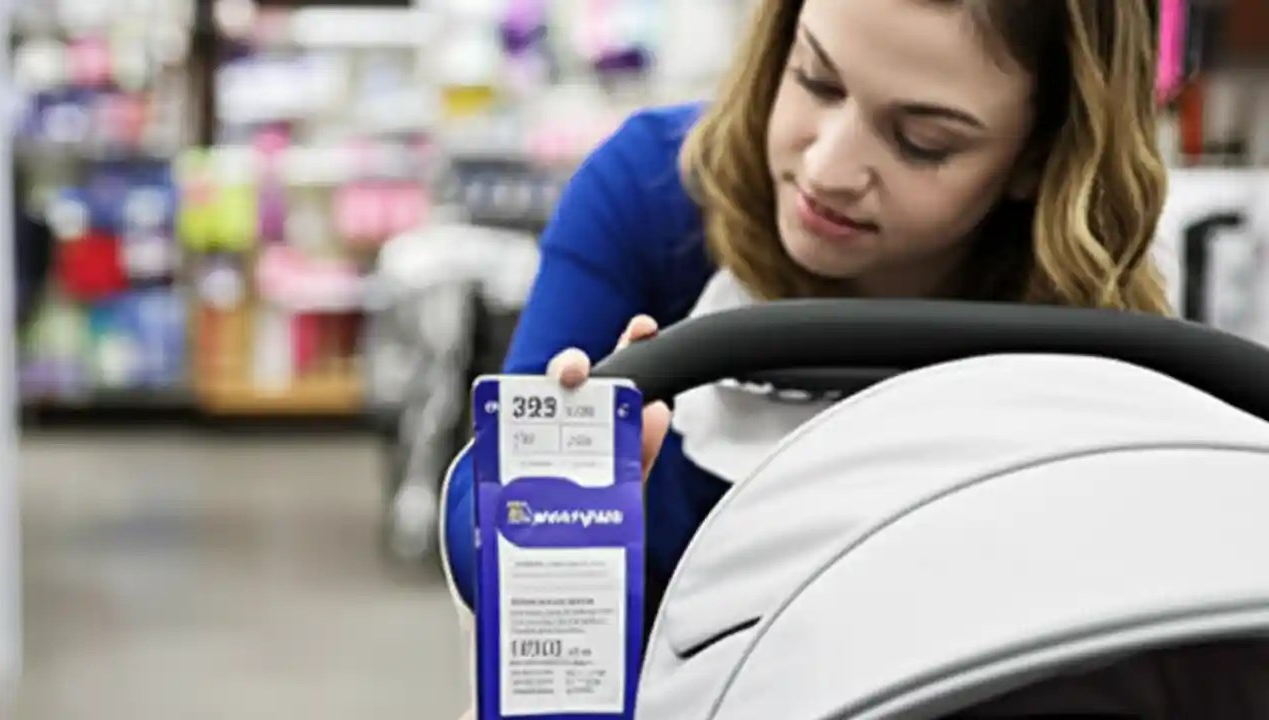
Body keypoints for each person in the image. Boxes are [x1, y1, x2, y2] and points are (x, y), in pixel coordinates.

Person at [441, 0, 1169, 711]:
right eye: (815, 80)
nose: (828, 168)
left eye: (922, 139)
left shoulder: (1095, 345)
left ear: (1040, 154)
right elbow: (484, 512)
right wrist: (556, 514)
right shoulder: (649, 195)